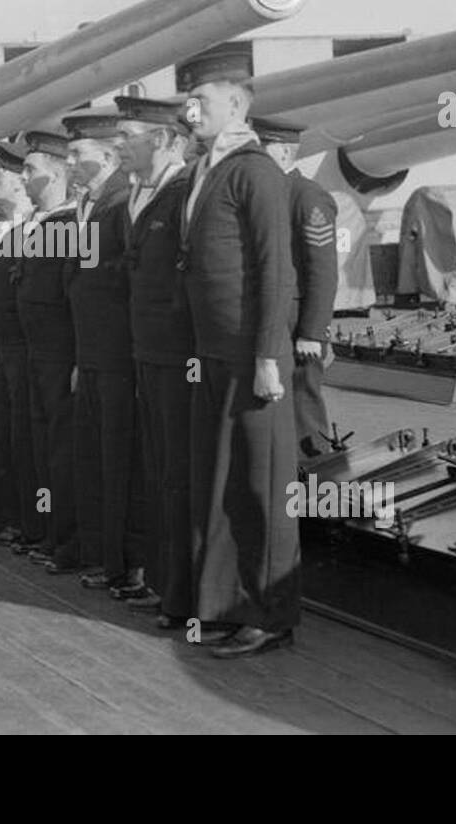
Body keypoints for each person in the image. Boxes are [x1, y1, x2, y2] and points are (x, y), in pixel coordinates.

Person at [177, 44, 299, 659]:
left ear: (234, 101)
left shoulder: (255, 172)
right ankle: (226, 606)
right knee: (223, 483)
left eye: (198, 99)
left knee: (263, 486)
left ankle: (272, 614)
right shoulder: (209, 169)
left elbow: (276, 270)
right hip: (215, 352)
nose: (188, 110)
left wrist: (270, 356)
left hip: (253, 357)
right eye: (187, 100)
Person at [114, 96, 195, 628]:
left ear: (163, 140)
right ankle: (166, 585)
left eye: (128, 136)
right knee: (159, 471)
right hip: (147, 353)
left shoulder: (186, 191)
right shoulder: (139, 194)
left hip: (180, 358)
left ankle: (184, 594)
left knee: (181, 475)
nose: (119, 145)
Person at [62, 112, 146, 597]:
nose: (71, 161)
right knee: (96, 458)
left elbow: (120, 280)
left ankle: (127, 563)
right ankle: (105, 557)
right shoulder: (89, 205)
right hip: (91, 352)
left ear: (109, 156)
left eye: (78, 154)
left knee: (120, 461)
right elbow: (80, 278)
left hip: (117, 355)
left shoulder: (119, 202)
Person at [252, 118, 339, 459]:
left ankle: (317, 485)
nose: (256, 156)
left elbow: (323, 271)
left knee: (303, 412)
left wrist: (312, 332)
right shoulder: (265, 193)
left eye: (264, 148)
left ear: (286, 152)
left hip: (297, 326)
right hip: (273, 323)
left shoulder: (307, 196)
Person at [15, 132, 80, 570]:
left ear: (55, 173)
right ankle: (45, 530)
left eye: (29, 169)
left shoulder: (72, 224)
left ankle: (70, 543)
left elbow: (79, 295)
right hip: (34, 354)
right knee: (39, 448)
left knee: (63, 451)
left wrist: (78, 357)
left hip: (61, 355)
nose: (23, 177)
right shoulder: (37, 223)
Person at [0, 141, 38, 547]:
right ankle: (13, 517)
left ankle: (32, 523)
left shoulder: (48, 225)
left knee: (26, 436)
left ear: (19, 181)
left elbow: (74, 285)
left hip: (28, 349)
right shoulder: (3, 226)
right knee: (4, 434)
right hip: (1, 347)